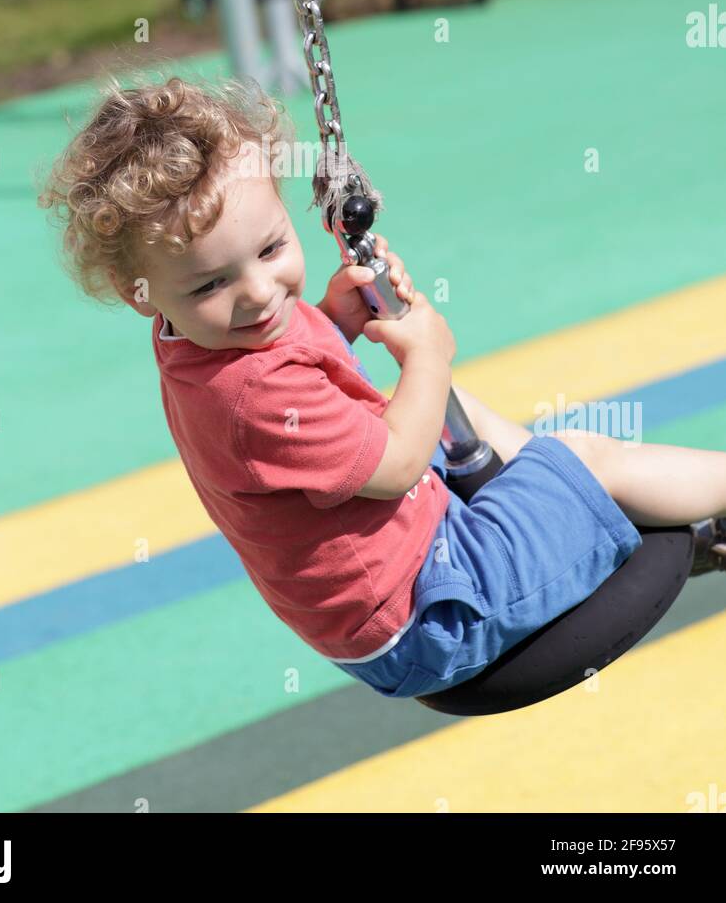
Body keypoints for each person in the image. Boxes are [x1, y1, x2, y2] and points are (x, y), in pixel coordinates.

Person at [37, 71, 726, 700]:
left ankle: (589, 524)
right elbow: (395, 465)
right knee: (583, 456)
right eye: (213, 283)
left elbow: (309, 379)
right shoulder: (248, 397)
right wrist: (428, 355)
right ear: (140, 292)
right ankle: (633, 510)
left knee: (475, 421)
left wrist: (340, 315)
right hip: (432, 613)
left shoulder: (195, 334)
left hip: (411, 575)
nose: (258, 293)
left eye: (273, 249)